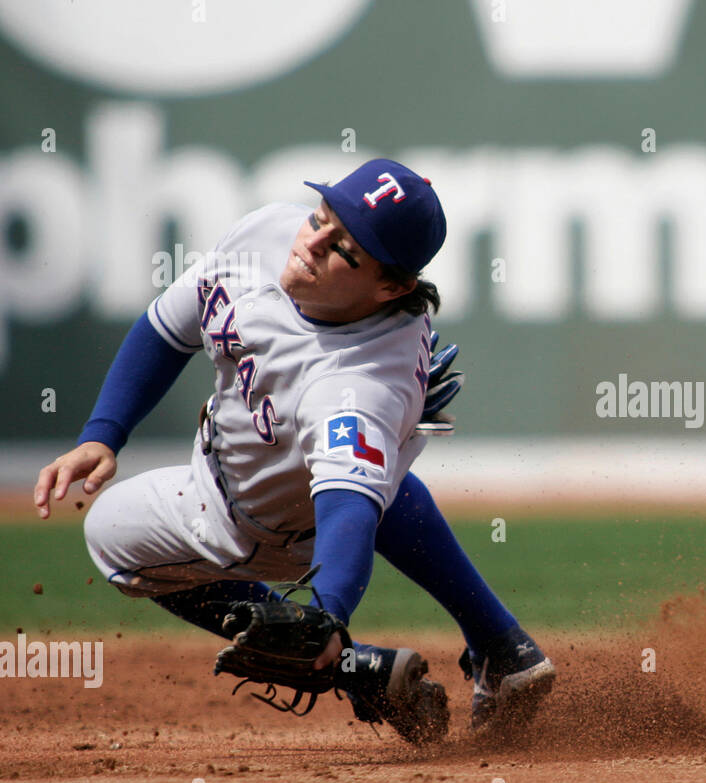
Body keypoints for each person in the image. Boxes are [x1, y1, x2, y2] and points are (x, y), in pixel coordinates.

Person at [34, 158, 556, 745]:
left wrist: (327, 614)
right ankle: (501, 643)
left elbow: (348, 512)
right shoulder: (267, 235)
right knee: (370, 470)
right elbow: (167, 328)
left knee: (108, 534)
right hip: (275, 458)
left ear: (393, 287)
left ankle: (354, 669)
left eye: (345, 251)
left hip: (265, 527)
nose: (312, 243)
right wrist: (104, 432)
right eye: (322, 218)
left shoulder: (351, 390)